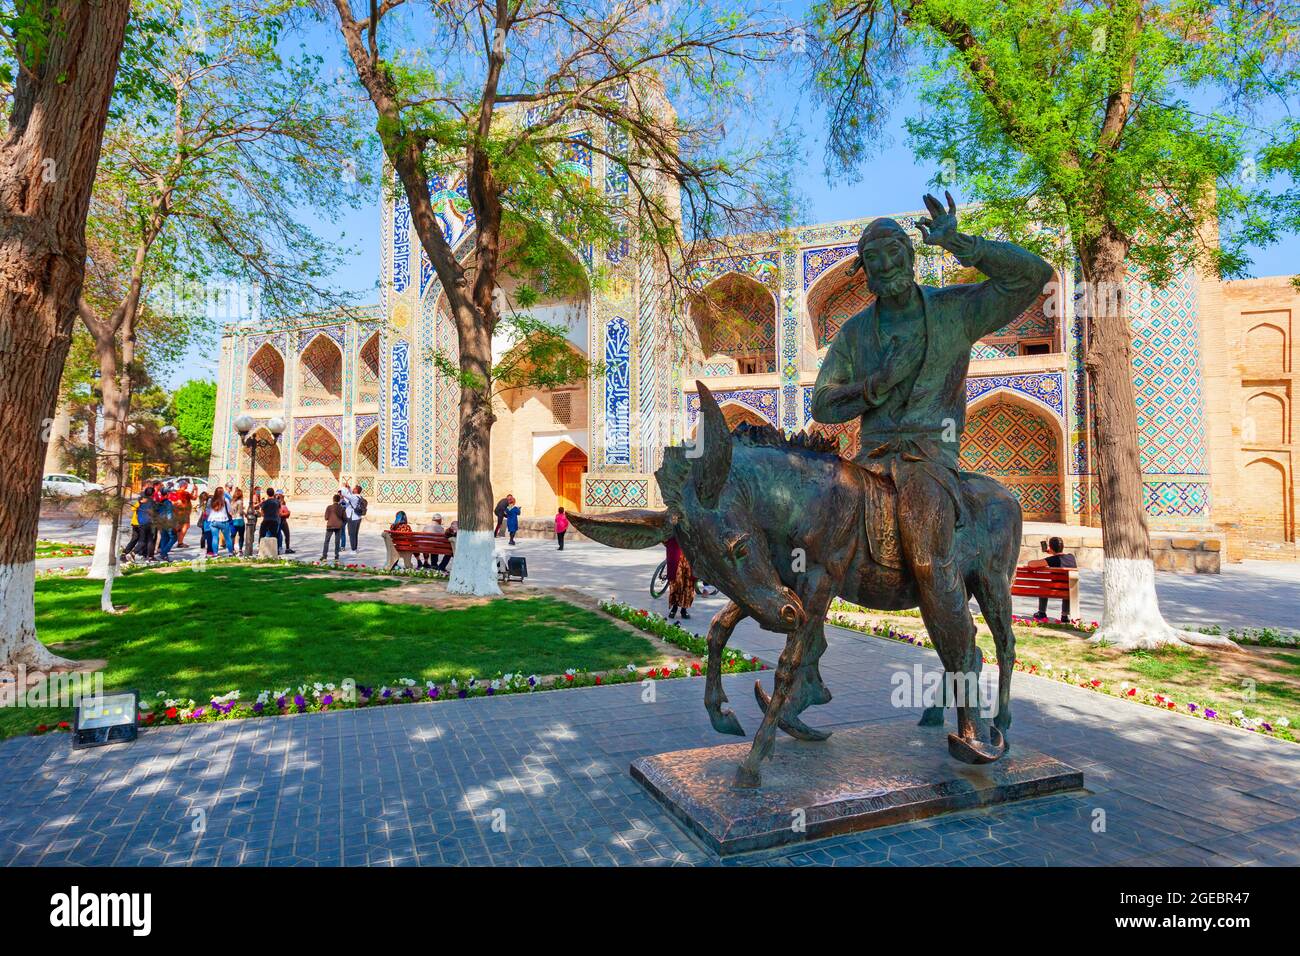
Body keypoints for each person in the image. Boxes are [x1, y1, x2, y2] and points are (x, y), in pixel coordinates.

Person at [811, 193, 1053, 688]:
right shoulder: (857, 333)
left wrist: (963, 245)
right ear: (864, 269)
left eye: (894, 254)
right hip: (870, 459)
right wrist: (875, 384)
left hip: (929, 457)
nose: (886, 267)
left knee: (927, 550)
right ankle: (803, 681)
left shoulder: (954, 312)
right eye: (874, 260)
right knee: (804, 542)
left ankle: (963, 674)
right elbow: (823, 405)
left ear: (911, 255)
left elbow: (1032, 276)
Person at [1028, 536, 1078, 623]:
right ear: (1062, 547)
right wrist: (1052, 553)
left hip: (1055, 589)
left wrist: (1051, 555)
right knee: (1068, 586)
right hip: (1069, 590)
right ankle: (1064, 615)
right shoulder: (1071, 557)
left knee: (1043, 587)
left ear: (1050, 548)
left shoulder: (1052, 559)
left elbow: (1031, 564)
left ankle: (1042, 613)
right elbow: (1061, 557)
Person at [664, 536, 695, 620]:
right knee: (676, 581)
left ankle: (684, 609)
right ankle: (674, 607)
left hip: (690, 549)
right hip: (676, 546)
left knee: (688, 582)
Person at [337, 482, 367, 552]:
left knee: (352, 534)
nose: (352, 489)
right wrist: (349, 488)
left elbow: (345, 494)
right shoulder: (359, 496)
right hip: (358, 518)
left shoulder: (353, 497)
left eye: (354, 488)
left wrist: (344, 487)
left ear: (356, 490)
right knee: (355, 534)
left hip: (352, 518)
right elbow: (350, 494)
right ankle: (355, 548)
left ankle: (353, 550)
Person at [208, 487, 233, 556]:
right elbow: (230, 511)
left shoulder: (210, 500)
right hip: (223, 520)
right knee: (227, 537)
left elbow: (208, 511)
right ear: (222, 493)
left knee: (215, 537)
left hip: (213, 521)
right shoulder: (225, 500)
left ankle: (215, 553)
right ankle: (230, 552)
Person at [171, 478, 195, 548]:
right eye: (187, 484)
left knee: (180, 527)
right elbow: (194, 498)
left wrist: (193, 490)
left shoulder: (177, 492)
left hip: (178, 512)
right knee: (185, 526)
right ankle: (180, 542)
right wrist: (195, 490)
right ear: (184, 485)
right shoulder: (185, 493)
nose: (187, 485)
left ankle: (179, 541)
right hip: (184, 512)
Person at [322, 494, 346, 562]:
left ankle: (324, 556)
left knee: (327, 541)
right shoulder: (342, 508)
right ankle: (336, 557)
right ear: (339, 500)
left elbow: (326, 518)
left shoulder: (329, 507)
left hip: (330, 525)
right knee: (337, 541)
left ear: (333, 500)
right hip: (338, 526)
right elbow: (345, 518)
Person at [155, 495, 178, 561]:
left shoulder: (162, 503)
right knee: (174, 538)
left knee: (164, 538)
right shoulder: (169, 503)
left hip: (160, 522)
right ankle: (163, 553)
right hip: (167, 523)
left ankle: (164, 555)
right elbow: (169, 514)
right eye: (176, 501)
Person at [230, 488, 246, 553]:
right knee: (241, 536)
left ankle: (232, 550)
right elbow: (240, 511)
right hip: (240, 520)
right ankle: (240, 550)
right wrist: (245, 513)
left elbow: (231, 511)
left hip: (233, 520)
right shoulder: (240, 502)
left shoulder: (232, 502)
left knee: (233, 536)